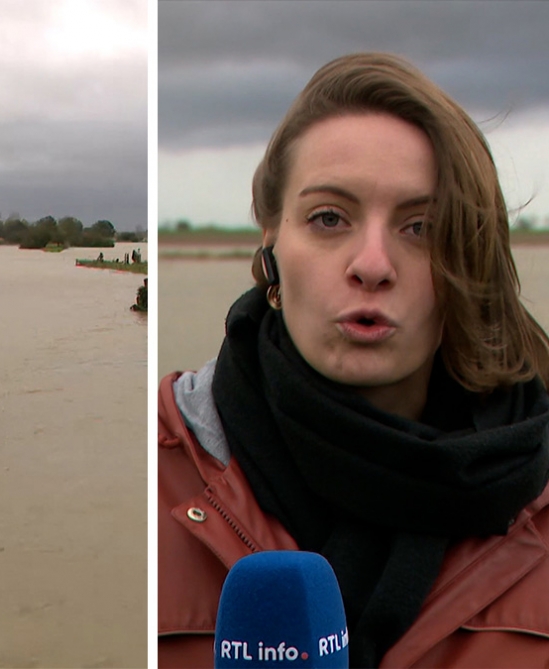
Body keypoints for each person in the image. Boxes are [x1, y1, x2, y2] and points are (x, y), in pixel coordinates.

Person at [158, 52, 549, 668]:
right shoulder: (153, 475)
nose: (372, 264)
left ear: (468, 259)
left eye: (420, 228)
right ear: (272, 243)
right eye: (329, 218)